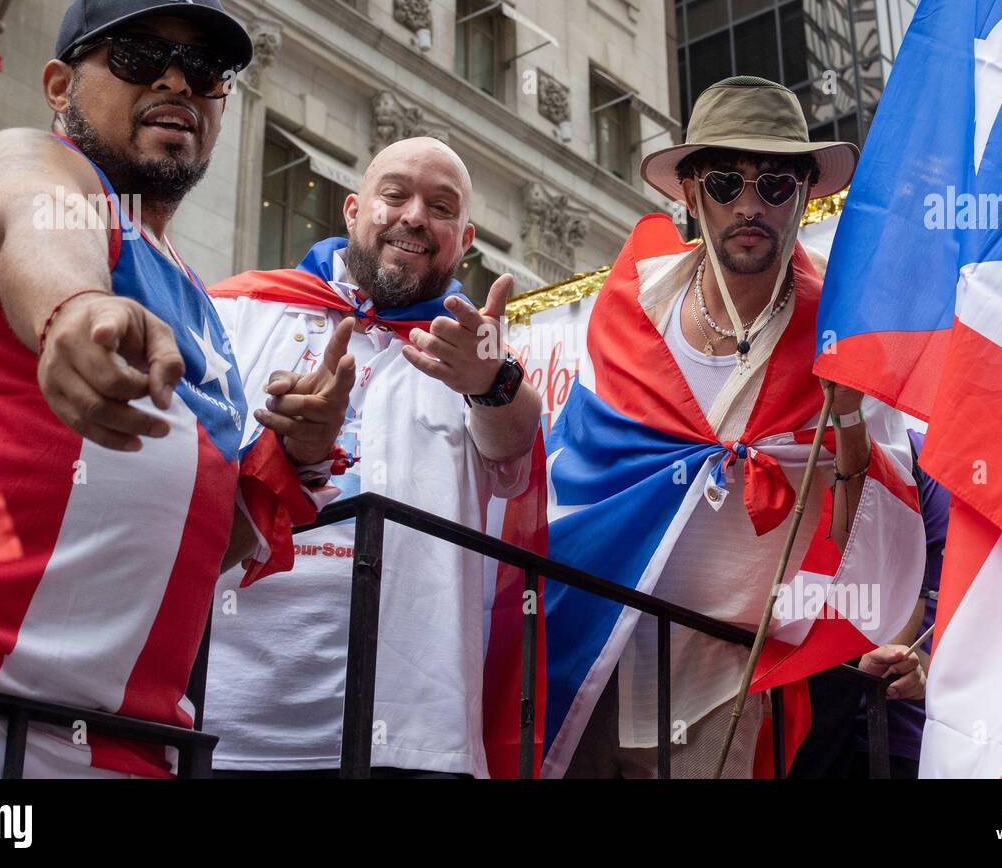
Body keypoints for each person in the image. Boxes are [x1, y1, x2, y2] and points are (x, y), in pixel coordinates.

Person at [0, 0, 280, 777]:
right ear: (60, 84)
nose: (177, 80)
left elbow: (205, 536)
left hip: (130, 744)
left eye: (205, 71)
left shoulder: (199, 300)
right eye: (137, 55)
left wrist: (294, 453)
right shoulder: (27, 161)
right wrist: (71, 309)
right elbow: (30, 212)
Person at [544, 76, 926, 778]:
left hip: (733, 681)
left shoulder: (841, 330)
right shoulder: (633, 308)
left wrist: (843, 416)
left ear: (805, 195)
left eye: (776, 185)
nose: (750, 205)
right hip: (596, 647)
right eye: (725, 183)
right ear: (690, 194)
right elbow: (573, 476)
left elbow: (868, 534)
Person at [203, 136, 541, 777]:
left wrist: (488, 380)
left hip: (411, 729)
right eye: (396, 195)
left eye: (441, 207)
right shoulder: (240, 309)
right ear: (353, 211)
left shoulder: (479, 345)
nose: (416, 215)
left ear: (463, 240)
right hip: (234, 707)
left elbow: (516, 447)